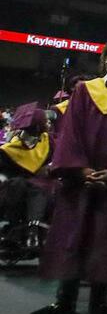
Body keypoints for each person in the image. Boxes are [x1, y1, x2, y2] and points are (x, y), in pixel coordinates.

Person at [32, 31, 107, 314]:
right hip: (79, 180)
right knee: (72, 236)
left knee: (106, 239)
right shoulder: (86, 91)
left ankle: (99, 301)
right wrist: (81, 168)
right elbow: (70, 133)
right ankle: (64, 300)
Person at [0, 103, 54, 250]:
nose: (49, 124)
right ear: (37, 127)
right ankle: (26, 230)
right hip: (18, 188)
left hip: (46, 184)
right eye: (46, 121)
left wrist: (50, 167)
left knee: (41, 188)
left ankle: (34, 230)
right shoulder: (9, 149)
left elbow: (58, 159)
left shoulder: (48, 141)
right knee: (19, 185)